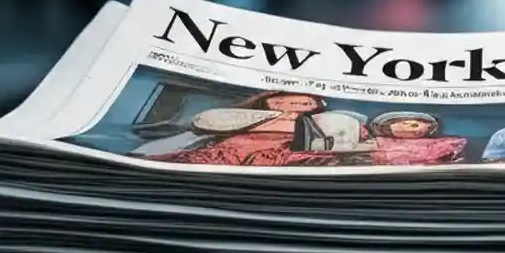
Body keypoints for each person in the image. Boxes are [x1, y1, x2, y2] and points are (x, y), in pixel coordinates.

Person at [137, 91, 359, 166]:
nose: (301, 105)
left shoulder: (320, 124)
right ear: (272, 101)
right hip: (229, 152)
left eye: (308, 103)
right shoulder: (238, 120)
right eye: (288, 100)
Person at [363, 111, 465, 165]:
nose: (413, 132)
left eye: (418, 132)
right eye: (413, 126)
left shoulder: (433, 144)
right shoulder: (378, 142)